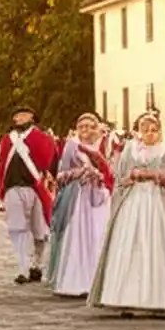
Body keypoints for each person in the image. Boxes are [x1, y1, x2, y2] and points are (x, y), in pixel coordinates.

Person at [89, 111, 165, 315]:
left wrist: (156, 174)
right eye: (144, 129)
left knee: (157, 246)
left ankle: (161, 299)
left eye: (154, 130)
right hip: (133, 203)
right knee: (130, 246)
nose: (149, 133)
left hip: (159, 204)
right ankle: (126, 297)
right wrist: (133, 175)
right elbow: (120, 179)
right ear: (138, 131)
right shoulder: (130, 151)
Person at [47, 113, 113, 298]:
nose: (86, 130)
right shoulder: (72, 146)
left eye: (90, 126)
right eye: (82, 126)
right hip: (78, 198)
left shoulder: (104, 145)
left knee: (98, 234)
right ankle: (76, 280)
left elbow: (111, 172)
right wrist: (80, 172)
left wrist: (99, 175)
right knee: (79, 236)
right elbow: (60, 175)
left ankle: (97, 280)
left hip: (99, 196)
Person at [0, 107, 56, 284]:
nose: (19, 118)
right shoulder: (8, 139)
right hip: (13, 187)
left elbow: (47, 160)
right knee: (17, 228)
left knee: (39, 229)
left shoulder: (42, 137)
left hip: (34, 186)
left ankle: (36, 263)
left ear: (32, 117)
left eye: (24, 115)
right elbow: (1, 163)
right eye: (17, 116)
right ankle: (22, 267)